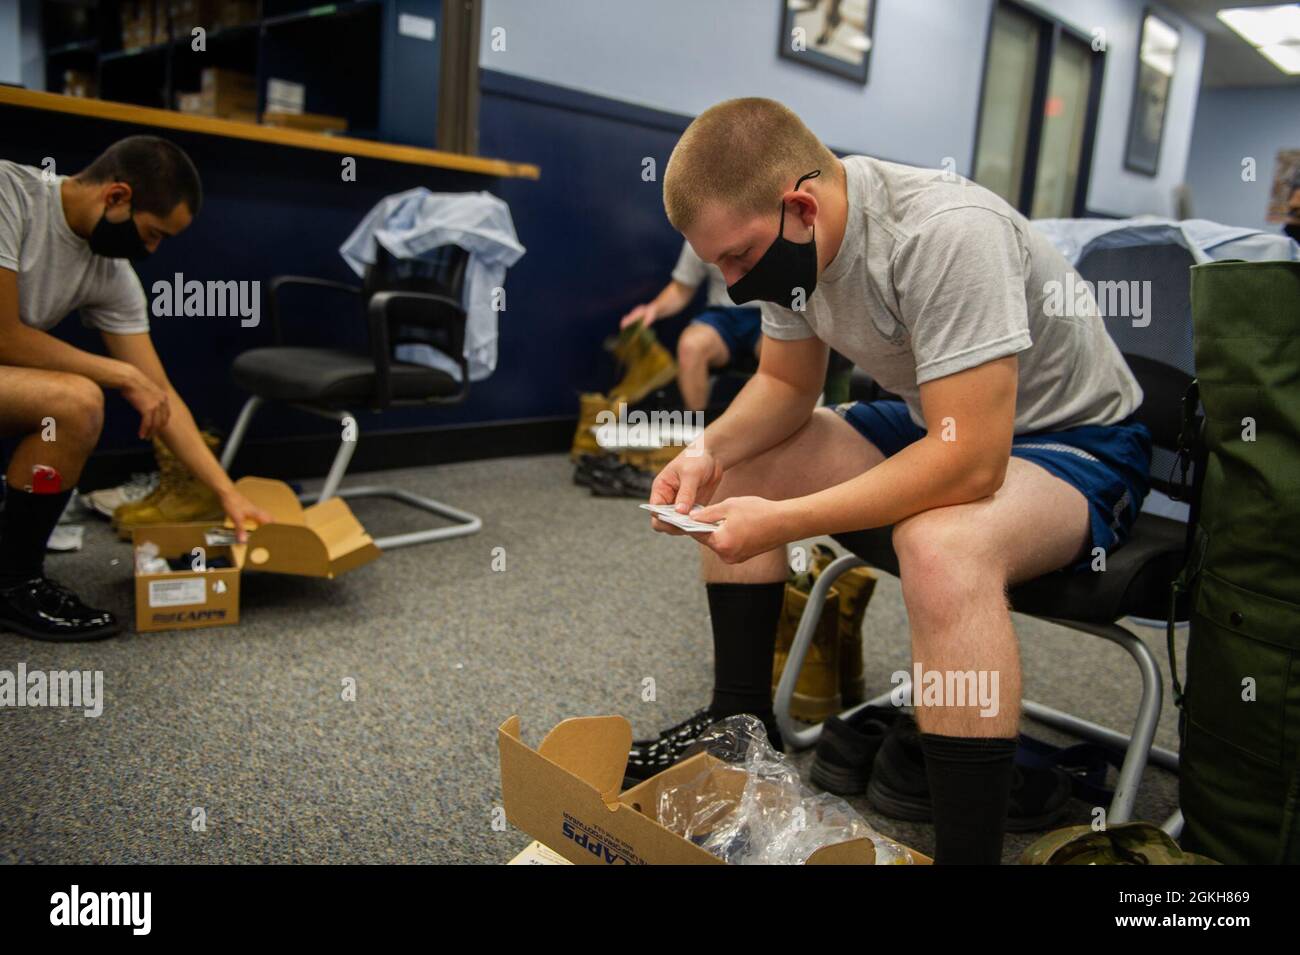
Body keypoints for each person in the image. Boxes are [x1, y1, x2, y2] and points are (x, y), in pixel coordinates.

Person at [636, 98, 1151, 864]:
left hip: (1075, 442)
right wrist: (708, 450)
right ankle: (740, 726)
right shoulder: (793, 241)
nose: (735, 284)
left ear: (800, 206)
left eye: (740, 258)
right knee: (739, 466)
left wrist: (783, 521)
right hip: (937, 414)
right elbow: (784, 386)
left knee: (940, 545)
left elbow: (972, 461)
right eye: (718, 265)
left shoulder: (945, 233)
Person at [0, 135, 271, 642]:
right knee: (77, 396)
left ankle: (14, 582)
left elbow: (160, 392)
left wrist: (226, 493)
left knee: (76, 406)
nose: (151, 250)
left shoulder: (112, 274)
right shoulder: (10, 194)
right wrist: (121, 374)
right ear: (117, 197)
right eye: (152, 234)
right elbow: (3, 335)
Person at [619, 240, 763, 412]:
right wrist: (653, 309)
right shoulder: (700, 231)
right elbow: (682, 288)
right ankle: (698, 428)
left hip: (769, 310)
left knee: (781, 350)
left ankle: (776, 430)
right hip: (722, 315)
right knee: (690, 346)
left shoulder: (772, 226)